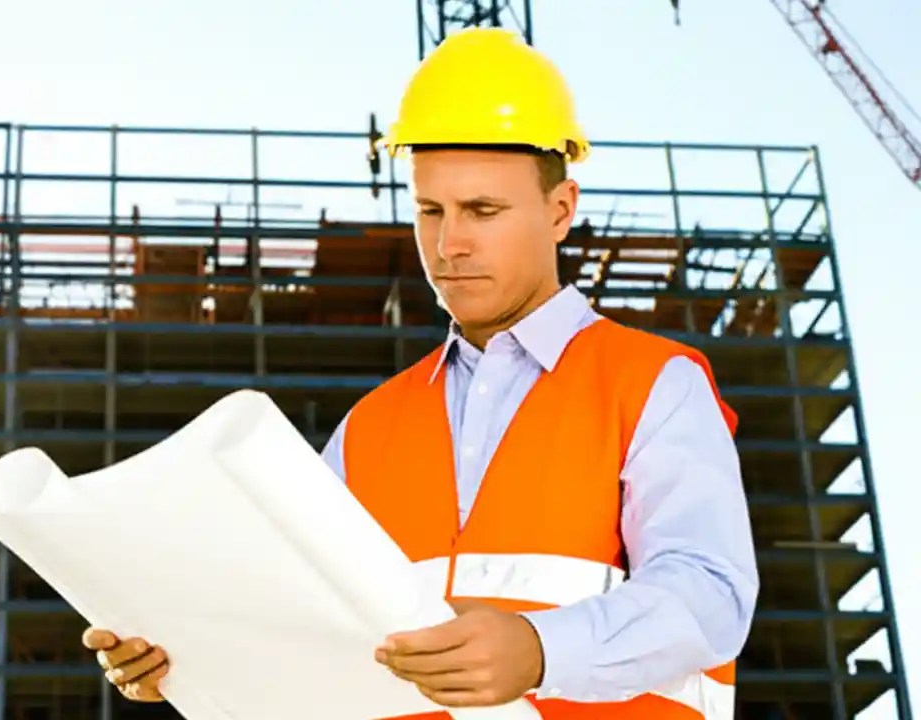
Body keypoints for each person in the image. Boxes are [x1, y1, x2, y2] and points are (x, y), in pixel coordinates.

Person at [82, 27, 758, 719]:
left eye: (482, 211)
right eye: (429, 211)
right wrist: (187, 656)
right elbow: (301, 621)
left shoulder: (654, 383)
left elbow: (709, 593)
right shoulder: (368, 429)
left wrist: (541, 650)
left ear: (560, 212)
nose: (448, 243)